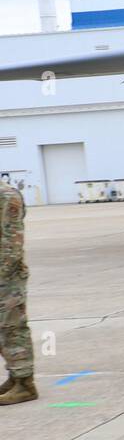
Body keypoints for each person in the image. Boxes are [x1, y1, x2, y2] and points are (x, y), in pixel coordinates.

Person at [0, 171, 36, 405]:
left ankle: (25, 383)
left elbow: (10, 242)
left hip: (6, 276)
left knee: (12, 327)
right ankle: (15, 376)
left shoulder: (6, 195)